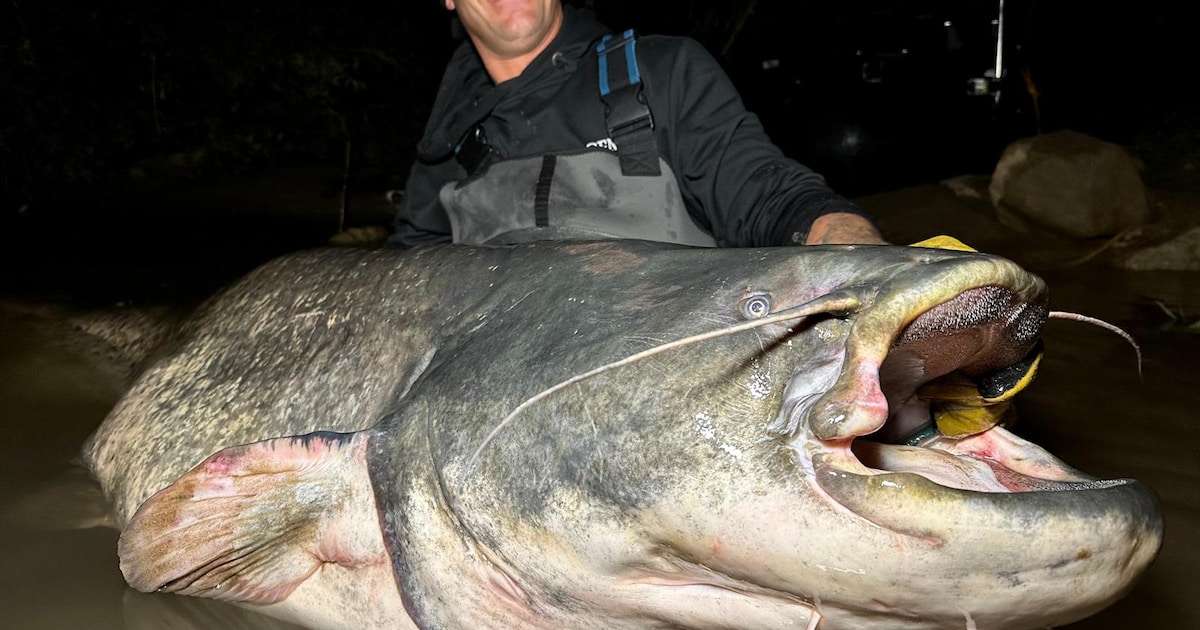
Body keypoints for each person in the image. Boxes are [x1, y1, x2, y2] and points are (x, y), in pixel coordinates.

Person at [388, 0, 886, 248]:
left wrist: (861, 262)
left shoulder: (660, 72)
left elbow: (770, 198)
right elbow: (406, 281)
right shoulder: (447, 141)